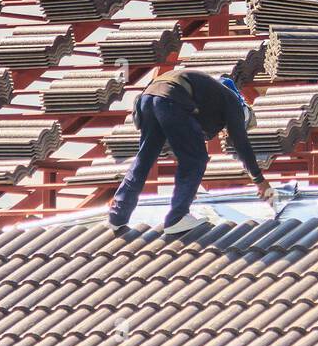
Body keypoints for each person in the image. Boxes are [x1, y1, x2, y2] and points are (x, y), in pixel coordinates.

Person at [109, 70, 273, 233]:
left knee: (144, 158)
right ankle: (177, 218)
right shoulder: (234, 105)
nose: (225, 133)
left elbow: (182, 139)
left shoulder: (208, 98)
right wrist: (259, 180)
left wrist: (187, 190)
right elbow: (241, 144)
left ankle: (117, 215)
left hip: (149, 97)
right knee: (197, 159)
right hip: (170, 99)